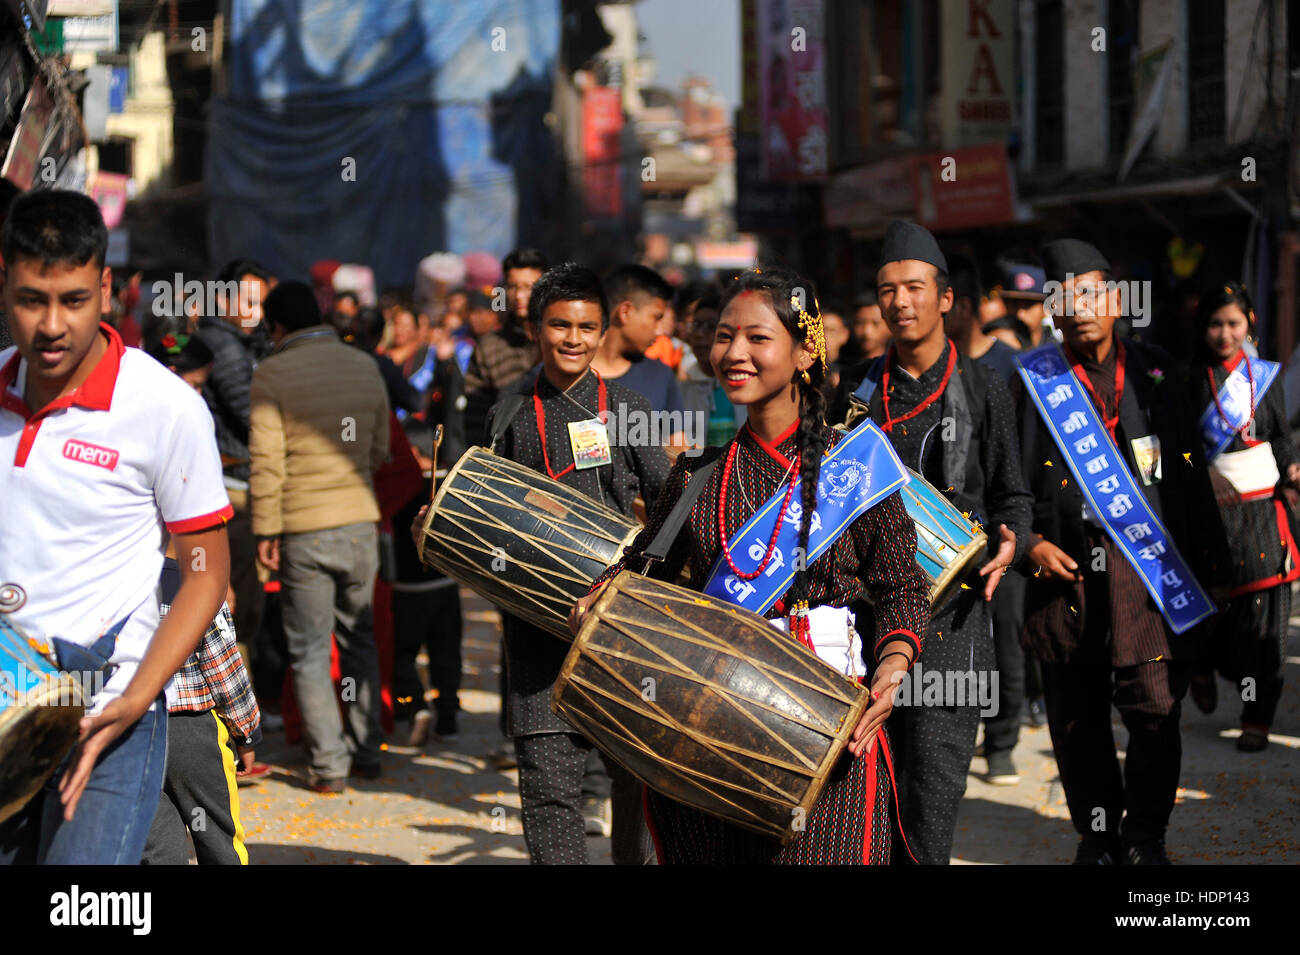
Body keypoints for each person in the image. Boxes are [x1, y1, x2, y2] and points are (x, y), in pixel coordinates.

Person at [571, 266, 930, 864]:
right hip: (712, 726)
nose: (734, 353)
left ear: (804, 350)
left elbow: (902, 588)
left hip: (827, 728)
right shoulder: (697, 476)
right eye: (723, 335)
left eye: (758, 338)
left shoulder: (854, 467)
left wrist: (891, 672)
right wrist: (600, 596)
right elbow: (639, 574)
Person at [0, 189, 231, 864]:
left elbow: (205, 571)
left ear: (106, 287)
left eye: (72, 299)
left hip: (109, 709)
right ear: (4, 280)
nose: (50, 325)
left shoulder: (164, 407)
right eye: (30, 298)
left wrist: (137, 698)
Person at [417, 263, 669, 864]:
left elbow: (668, 507)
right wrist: (436, 524)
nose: (574, 339)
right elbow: (479, 508)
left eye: (586, 327)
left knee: (635, 783)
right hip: (533, 633)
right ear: (537, 329)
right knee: (547, 791)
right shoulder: (506, 412)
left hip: (617, 633)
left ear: (604, 330)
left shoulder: (628, 408)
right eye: (560, 325)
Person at [1010, 238, 1228, 865]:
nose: (1079, 307)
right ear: (1052, 310)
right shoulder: (1031, 381)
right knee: (1076, 722)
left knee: (1155, 708)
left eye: (1090, 293)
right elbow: (1008, 484)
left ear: (1115, 300)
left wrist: (1214, 575)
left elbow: (1190, 482)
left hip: (1149, 579)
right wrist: (1029, 545)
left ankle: (1146, 836)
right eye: (1063, 297)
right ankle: (1098, 837)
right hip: (1067, 579)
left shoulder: (1159, 372)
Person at [843, 222, 1031, 863]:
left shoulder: (985, 389)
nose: (899, 301)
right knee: (860, 790)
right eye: (886, 289)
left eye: (914, 288)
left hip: (952, 623)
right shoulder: (857, 389)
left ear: (946, 299)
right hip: (865, 618)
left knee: (931, 792)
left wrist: (1014, 541)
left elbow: (1014, 496)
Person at [248, 281, 391, 794]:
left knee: (308, 650)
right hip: (358, 525)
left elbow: (267, 462)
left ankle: (330, 765)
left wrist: (265, 527)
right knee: (360, 641)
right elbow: (378, 449)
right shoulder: (362, 365)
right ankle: (369, 751)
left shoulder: (271, 373)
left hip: (303, 530)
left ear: (277, 327)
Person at [1185, 282, 1299, 752]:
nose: (1225, 334)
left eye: (1233, 323)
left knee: (1267, 615)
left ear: (1249, 322)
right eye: (1216, 324)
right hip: (1212, 516)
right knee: (1218, 612)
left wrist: (1293, 466)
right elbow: (1173, 449)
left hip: (1263, 514)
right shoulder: (1186, 380)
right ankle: (1203, 665)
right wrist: (1204, 475)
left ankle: (1258, 717)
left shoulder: (1266, 378)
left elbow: (1281, 438)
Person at [944, 256, 1028, 783]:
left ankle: (1002, 741)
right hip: (937, 542)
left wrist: (1020, 528)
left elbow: (1021, 457)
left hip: (999, 528)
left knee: (1006, 637)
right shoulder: (908, 378)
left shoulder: (1004, 370)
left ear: (961, 304)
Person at [197, 257, 275, 677]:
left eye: (260, 303)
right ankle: (234, 713)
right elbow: (254, 414)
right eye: (248, 301)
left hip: (234, 484)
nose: (255, 313)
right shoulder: (223, 346)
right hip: (231, 490)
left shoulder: (237, 343)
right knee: (236, 606)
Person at [591, 264, 687, 451]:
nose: (659, 330)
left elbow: (679, 450)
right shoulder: (569, 373)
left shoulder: (660, 376)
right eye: (655, 317)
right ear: (625, 312)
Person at [460, 248, 547, 445]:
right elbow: (474, 417)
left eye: (529, 286)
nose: (520, 295)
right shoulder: (489, 347)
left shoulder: (558, 340)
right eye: (513, 287)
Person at [678, 289, 745, 451]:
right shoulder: (681, 388)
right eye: (696, 325)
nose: (700, 334)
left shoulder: (746, 385)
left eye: (710, 326)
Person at [984, 259, 1049, 350]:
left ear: (1046, 308)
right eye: (1014, 304)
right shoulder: (997, 341)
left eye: (1028, 305)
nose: (1020, 313)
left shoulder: (1058, 346)